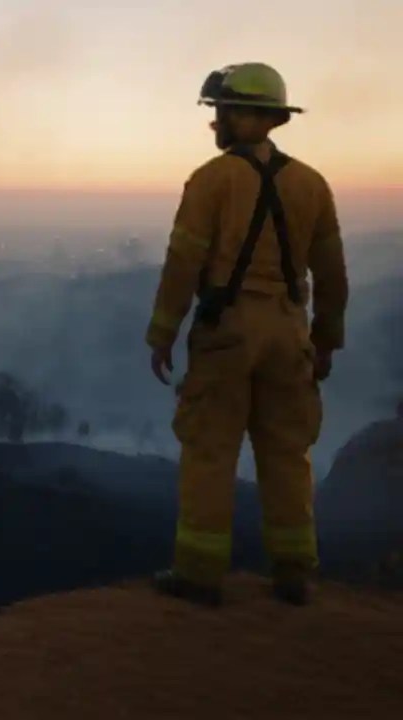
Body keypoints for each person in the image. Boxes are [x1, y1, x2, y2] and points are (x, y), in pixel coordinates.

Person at [145, 63, 348, 606]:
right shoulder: (311, 184)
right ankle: (293, 573)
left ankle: (199, 573)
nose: (214, 124)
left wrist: (162, 332)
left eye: (219, 112)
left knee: (211, 449)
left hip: (228, 333)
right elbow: (331, 272)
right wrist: (326, 339)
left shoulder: (212, 180)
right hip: (290, 332)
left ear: (244, 115)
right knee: (287, 453)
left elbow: (183, 262)